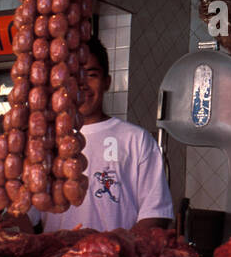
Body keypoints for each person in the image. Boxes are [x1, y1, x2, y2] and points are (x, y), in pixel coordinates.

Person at [34, 38, 174, 233]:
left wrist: (111, 250)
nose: (81, 85)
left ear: (107, 82)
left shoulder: (136, 140)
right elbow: (24, 214)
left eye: (91, 75)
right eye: (73, 76)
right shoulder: (44, 142)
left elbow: (156, 215)